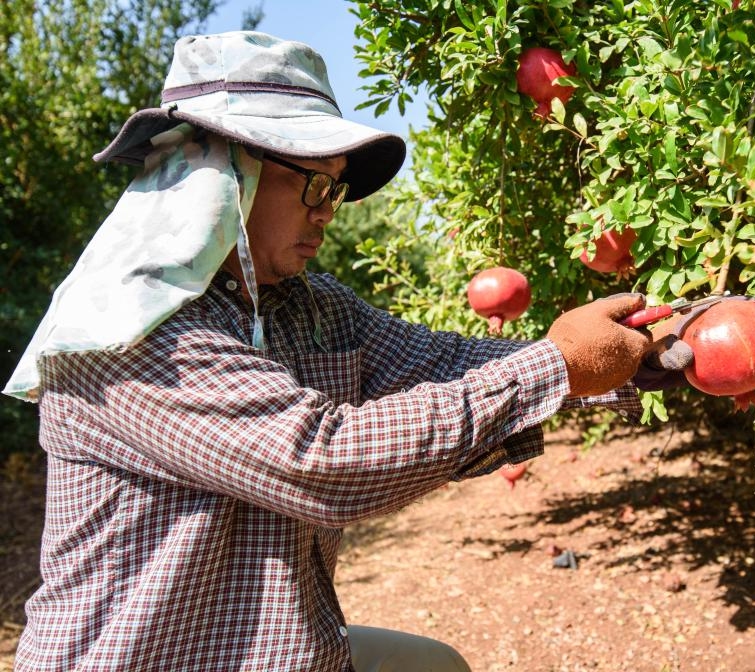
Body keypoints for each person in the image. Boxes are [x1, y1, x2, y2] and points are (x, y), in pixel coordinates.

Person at [4, 31, 686, 671]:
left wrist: (635, 356)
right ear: (222, 173)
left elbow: (445, 363)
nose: (329, 210)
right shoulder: (128, 337)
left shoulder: (309, 306)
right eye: (315, 185)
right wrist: (556, 366)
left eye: (335, 189)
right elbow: (326, 462)